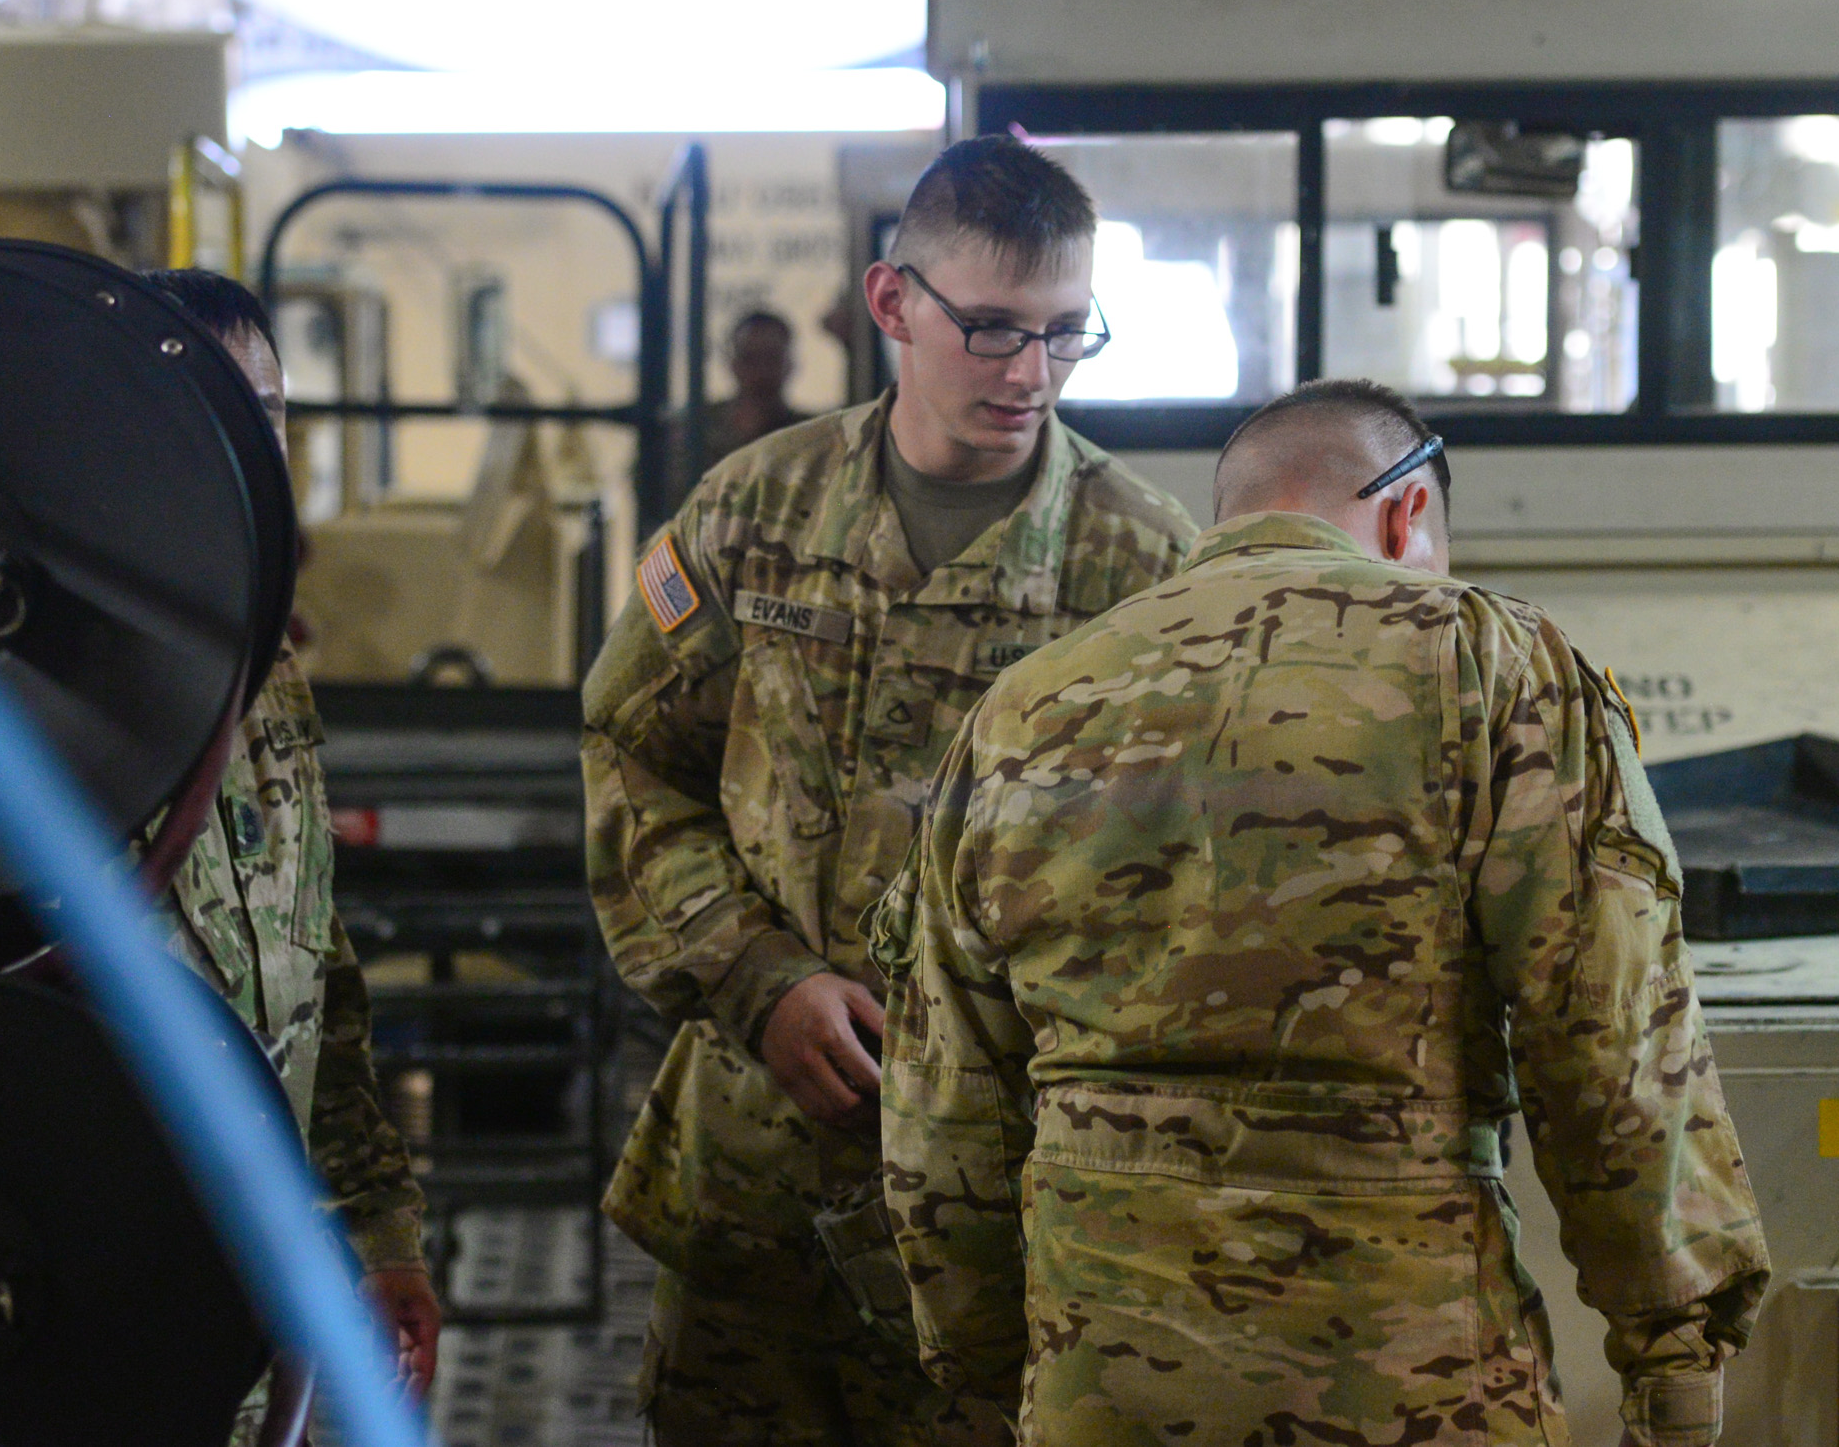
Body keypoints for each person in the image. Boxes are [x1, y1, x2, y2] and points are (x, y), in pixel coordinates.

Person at [874, 378, 1771, 1447]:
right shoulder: (1486, 661)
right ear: (1408, 516)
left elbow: (945, 1108)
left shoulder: (1023, 707)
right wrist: (1671, 1357)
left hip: (1103, 1380)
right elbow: (1610, 1041)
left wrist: (981, 1371)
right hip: (1414, 1376)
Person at [581, 139, 1198, 1446]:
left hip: (1012, 1224)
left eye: (1064, 334)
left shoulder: (1142, 570)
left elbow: (1184, 891)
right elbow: (634, 764)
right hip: (759, 1202)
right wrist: (755, 974)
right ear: (890, 304)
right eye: (987, 329)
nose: (1027, 373)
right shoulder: (752, 515)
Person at [143, 268, 444, 1405]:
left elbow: (319, 988)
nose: (246, 444)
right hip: (101, 1316)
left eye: (264, 411)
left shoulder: (263, 671)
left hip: (273, 1324)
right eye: (208, 408)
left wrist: (381, 1242)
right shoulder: (36, 679)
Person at [701, 306, 810, 464]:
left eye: (772, 358)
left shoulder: (810, 435)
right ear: (733, 364)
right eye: (749, 358)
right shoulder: (699, 429)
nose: (761, 371)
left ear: (790, 365)